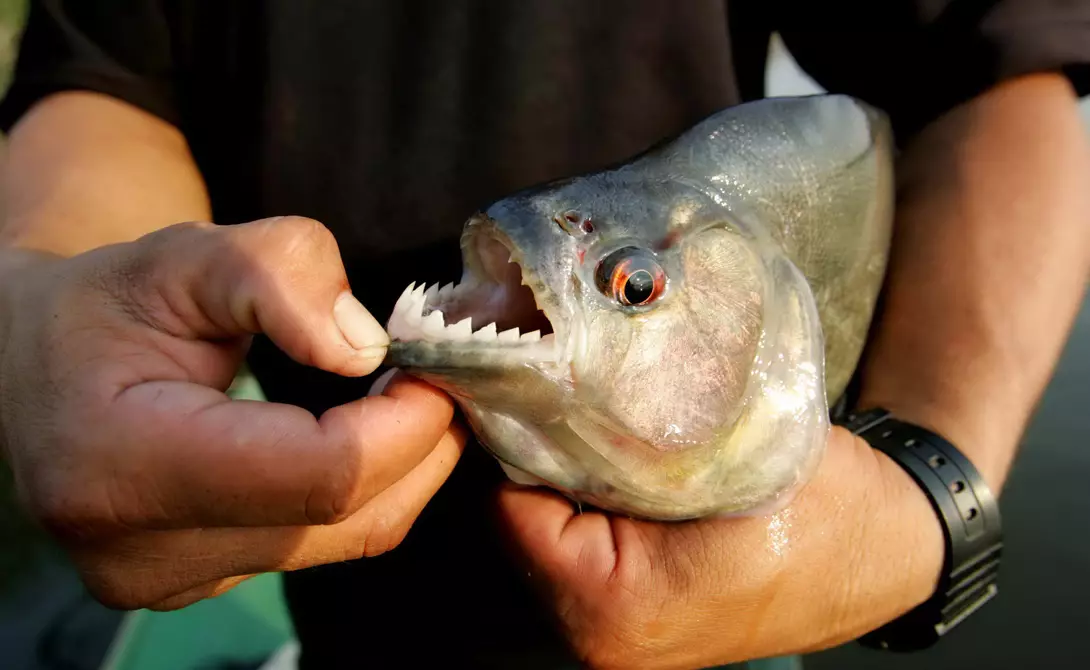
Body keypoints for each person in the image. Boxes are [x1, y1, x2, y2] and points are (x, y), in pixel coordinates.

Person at [1, 1, 1089, 668]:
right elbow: (102, 74)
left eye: (628, 285)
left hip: (729, 627)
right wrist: (55, 289)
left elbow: (989, 59)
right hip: (334, 590)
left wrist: (930, 499)